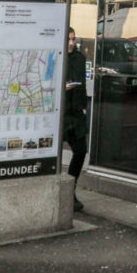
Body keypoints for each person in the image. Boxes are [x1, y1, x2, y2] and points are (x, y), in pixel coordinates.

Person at [62, 30, 89, 213]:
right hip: (61, 112)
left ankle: (69, 191)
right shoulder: (57, 56)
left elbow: (83, 83)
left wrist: (83, 106)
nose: (71, 43)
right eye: (68, 40)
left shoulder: (79, 58)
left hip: (76, 113)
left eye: (73, 39)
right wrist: (63, 87)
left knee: (80, 151)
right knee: (51, 153)